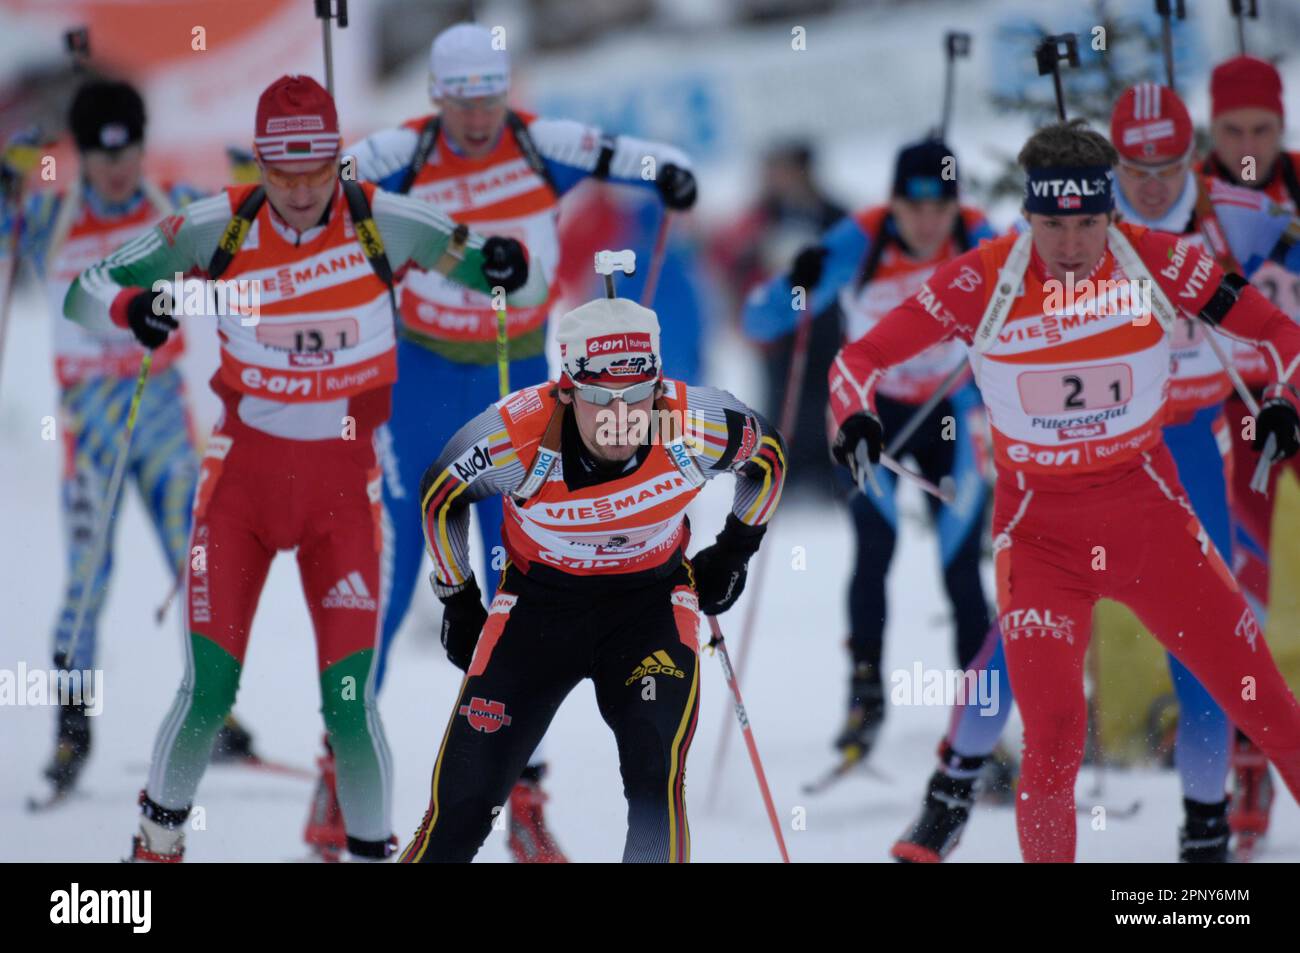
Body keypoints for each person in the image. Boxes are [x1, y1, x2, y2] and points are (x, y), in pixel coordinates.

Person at [63, 74, 536, 862]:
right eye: (280, 172)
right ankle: (153, 850)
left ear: (336, 160)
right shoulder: (217, 224)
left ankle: (369, 850)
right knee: (208, 693)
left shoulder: (384, 220)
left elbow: (489, 262)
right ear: (261, 166)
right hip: (241, 490)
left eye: (316, 169)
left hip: (342, 499)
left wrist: (503, 261)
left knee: (349, 703)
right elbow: (88, 288)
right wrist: (131, 310)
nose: (299, 190)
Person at [828, 117, 1300, 863]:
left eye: (1087, 224)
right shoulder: (983, 278)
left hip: (1151, 523)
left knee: (1270, 708)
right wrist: (853, 416)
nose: (1071, 244)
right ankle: (952, 796)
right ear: (1029, 217)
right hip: (1041, 540)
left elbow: (1281, 334)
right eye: (1052, 224)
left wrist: (1281, 397)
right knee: (1052, 737)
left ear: (1112, 214)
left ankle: (1207, 823)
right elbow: (859, 359)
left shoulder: (1160, 263)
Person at [345, 23, 697, 860]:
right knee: (401, 566)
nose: (476, 114)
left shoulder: (542, 141)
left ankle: (520, 791)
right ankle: (343, 763)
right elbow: (321, 188)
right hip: (423, 375)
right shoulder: (403, 150)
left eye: (488, 95)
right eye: (460, 97)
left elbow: (633, 155)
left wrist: (670, 174)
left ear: (507, 89)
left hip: (520, 371)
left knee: (523, 573)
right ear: (437, 96)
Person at [399, 294, 785, 862]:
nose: (619, 417)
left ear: (658, 389)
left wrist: (734, 549)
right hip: (536, 614)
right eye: (599, 398)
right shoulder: (516, 435)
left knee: (656, 778)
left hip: (648, 609)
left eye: (636, 397)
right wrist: (458, 598)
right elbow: (441, 495)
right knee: (463, 805)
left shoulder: (696, 424)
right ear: (567, 390)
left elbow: (769, 456)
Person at [0, 78, 257, 805]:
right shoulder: (48, 211)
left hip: (162, 410)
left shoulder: (170, 206)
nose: (116, 167)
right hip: (90, 416)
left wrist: (255, 189)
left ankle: (215, 708)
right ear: (80, 155)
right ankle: (71, 726)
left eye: (128, 150)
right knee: (89, 573)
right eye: (100, 154)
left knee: (198, 557)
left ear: (142, 146)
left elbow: (245, 241)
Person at [745, 138, 995, 762]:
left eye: (941, 204)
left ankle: (981, 717)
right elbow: (761, 321)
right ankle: (865, 698)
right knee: (874, 548)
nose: (928, 218)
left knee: (962, 567)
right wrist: (792, 284)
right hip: (870, 416)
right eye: (914, 204)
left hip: (950, 412)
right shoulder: (860, 239)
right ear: (894, 202)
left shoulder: (979, 237)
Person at [1199, 54, 1300, 849]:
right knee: (1248, 581)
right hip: (1235, 405)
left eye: (1260, 129)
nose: (1245, 145)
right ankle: (1250, 751)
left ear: (1282, 126)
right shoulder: (1191, 196)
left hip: (1297, 394)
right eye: (1230, 129)